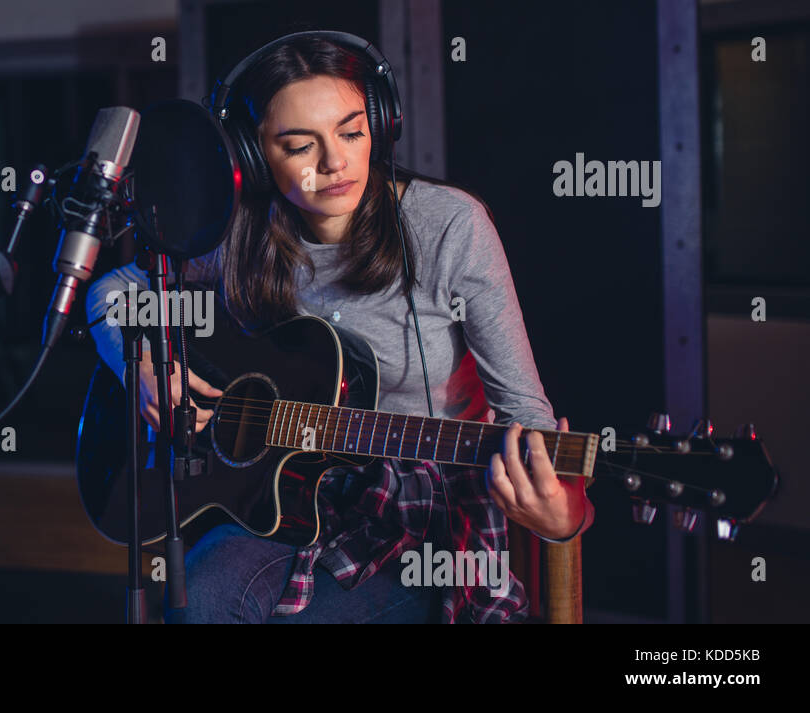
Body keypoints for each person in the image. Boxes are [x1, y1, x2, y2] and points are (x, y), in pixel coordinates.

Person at [87, 34, 593, 623]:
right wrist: (143, 367)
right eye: (300, 146)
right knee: (197, 602)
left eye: (352, 133)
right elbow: (112, 290)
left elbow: (526, 416)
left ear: (379, 123)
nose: (335, 163)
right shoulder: (240, 234)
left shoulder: (449, 226)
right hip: (277, 504)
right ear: (252, 157)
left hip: (415, 522)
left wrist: (565, 512)